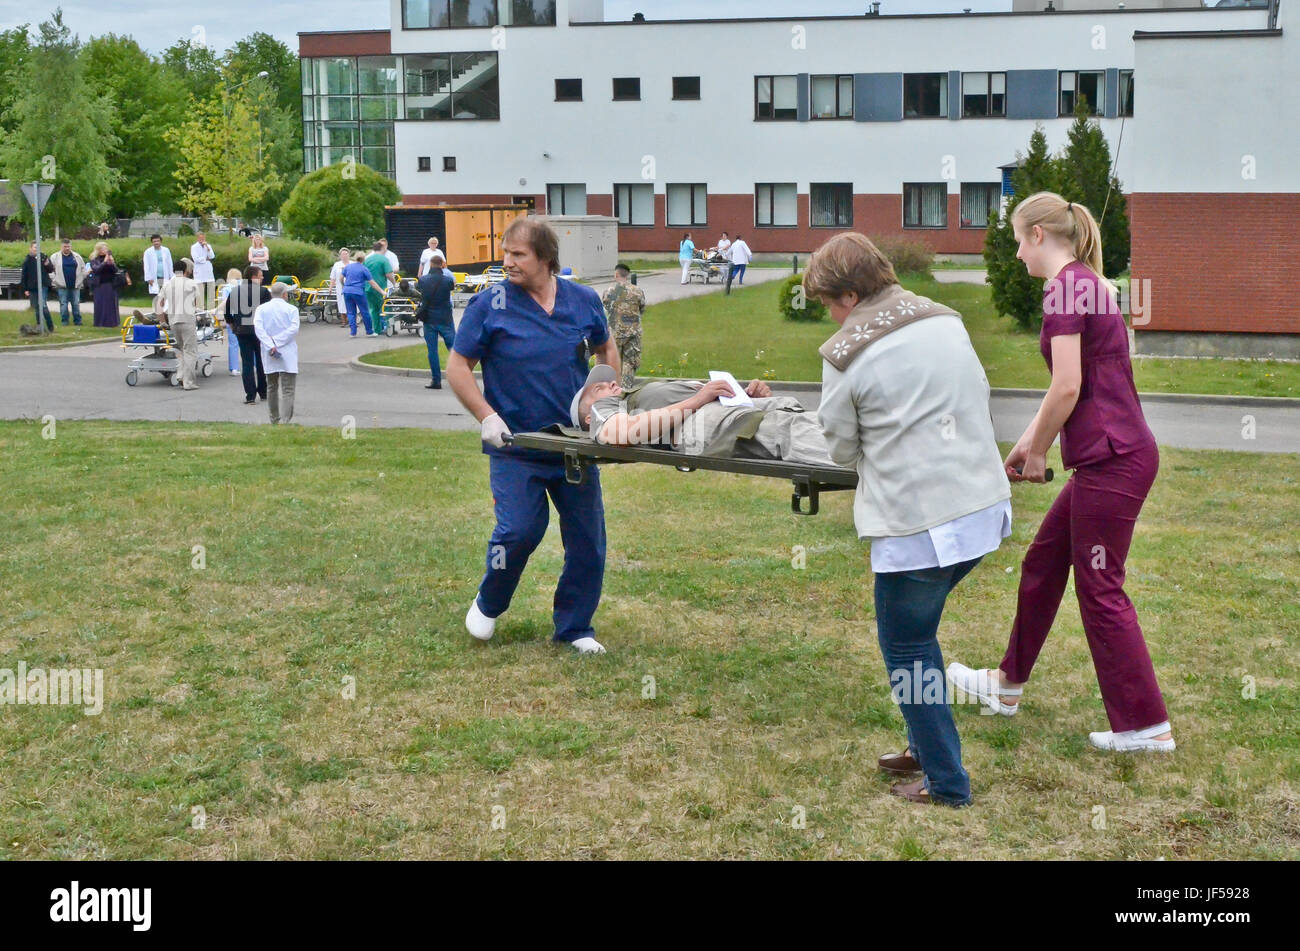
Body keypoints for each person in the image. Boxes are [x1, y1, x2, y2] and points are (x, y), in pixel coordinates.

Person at [947, 193, 1174, 754]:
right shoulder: (1089, 284)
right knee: (1044, 561)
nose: (1017, 252)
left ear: (1040, 235)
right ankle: (1006, 686)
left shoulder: (1066, 287)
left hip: (1112, 459)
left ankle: (1145, 725)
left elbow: (1068, 384)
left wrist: (1042, 451)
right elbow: (1070, 388)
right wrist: (1027, 443)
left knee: (1100, 584)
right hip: (1111, 455)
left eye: (1019, 240)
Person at [808, 232, 1012, 808]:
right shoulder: (946, 319)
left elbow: (841, 449)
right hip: (980, 509)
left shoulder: (844, 354)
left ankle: (947, 782)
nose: (829, 315)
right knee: (919, 638)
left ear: (848, 294)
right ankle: (925, 746)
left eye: (828, 302)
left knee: (907, 648)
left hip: (920, 527)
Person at [446, 217, 619, 654]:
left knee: (588, 541)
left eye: (518, 254)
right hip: (515, 445)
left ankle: (575, 628)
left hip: (573, 446)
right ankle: (490, 601)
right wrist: (486, 416)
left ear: (546, 258)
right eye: (505, 253)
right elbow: (458, 367)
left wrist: (605, 401)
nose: (507, 262)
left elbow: (606, 348)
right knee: (520, 530)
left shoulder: (582, 301)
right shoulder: (490, 304)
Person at [575, 372, 836, 466]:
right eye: (598, 388)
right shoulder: (603, 411)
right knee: (781, 430)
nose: (610, 382)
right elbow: (622, 433)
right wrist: (699, 399)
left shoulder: (634, 394)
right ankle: (864, 460)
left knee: (790, 411)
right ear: (588, 418)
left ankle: (868, 443)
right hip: (693, 424)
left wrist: (743, 396)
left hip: (714, 410)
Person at [254, 283, 301, 425]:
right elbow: (294, 328)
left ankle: (274, 419)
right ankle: (285, 420)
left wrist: (270, 344)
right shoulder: (291, 309)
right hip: (286, 350)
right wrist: (277, 342)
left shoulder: (261, 309)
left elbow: (258, 328)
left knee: (271, 386)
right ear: (285, 294)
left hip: (269, 351)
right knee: (288, 388)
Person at [225, 266, 271, 404]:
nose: (262, 278)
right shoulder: (263, 292)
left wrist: (233, 325)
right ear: (253, 277)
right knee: (261, 360)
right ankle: (263, 391)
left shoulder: (235, 291)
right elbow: (268, 312)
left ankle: (250, 395)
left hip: (242, 330)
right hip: (259, 331)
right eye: (260, 275)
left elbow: (228, 312)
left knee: (247, 362)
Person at [601, 263, 646, 389]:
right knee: (629, 363)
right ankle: (625, 391)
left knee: (613, 362)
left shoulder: (609, 292)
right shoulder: (637, 291)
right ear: (628, 275)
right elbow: (642, 309)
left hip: (615, 332)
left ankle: (613, 389)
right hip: (633, 332)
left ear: (616, 274)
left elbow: (605, 307)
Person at [158, 260, 202, 390]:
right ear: (186, 270)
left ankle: (180, 375)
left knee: (182, 349)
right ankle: (188, 382)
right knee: (190, 351)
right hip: (187, 320)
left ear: (173, 270)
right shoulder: (191, 283)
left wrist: (162, 321)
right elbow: (195, 302)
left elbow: (159, 304)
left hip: (173, 321)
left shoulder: (167, 285)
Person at [416, 250, 456, 389]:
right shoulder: (448, 280)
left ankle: (436, 380)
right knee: (454, 349)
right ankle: (459, 378)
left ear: (431, 264)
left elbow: (419, 290)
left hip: (429, 319)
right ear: (442, 264)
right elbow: (451, 288)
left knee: (432, 350)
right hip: (445, 318)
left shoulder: (423, 280)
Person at [341, 252, 384, 337]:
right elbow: (372, 283)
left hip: (347, 291)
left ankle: (353, 333)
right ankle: (369, 332)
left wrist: (344, 286)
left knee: (350, 312)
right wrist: (382, 292)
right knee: (365, 312)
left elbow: (341, 278)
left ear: (355, 258)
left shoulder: (348, 267)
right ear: (364, 259)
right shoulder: (364, 269)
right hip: (358, 292)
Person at [89, 243, 127, 328]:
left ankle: (112, 322)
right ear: (99, 250)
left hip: (110, 284)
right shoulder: (94, 260)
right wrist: (104, 262)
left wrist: (112, 263)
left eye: (106, 249)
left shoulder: (109, 258)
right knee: (101, 304)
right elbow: (97, 270)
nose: (106, 251)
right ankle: (100, 322)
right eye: (103, 249)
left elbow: (115, 271)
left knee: (111, 304)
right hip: (100, 285)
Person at [49, 239, 87, 326]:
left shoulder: (77, 256)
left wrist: (81, 278)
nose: (67, 248)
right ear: (61, 247)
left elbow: (83, 268)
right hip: (61, 285)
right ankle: (64, 321)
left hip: (75, 284)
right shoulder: (55, 257)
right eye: (65, 247)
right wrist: (55, 280)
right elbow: (50, 270)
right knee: (63, 304)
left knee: (76, 304)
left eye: (68, 246)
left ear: (71, 246)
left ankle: (78, 321)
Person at [20, 242, 54, 332]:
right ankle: (40, 326)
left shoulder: (43, 257)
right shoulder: (27, 260)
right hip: (32, 287)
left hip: (43, 285)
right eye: (35, 247)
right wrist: (25, 289)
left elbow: (50, 269)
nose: (36, 249)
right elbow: (24, 275)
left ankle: (50, 326)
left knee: (42, 305)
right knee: (37, 307)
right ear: (30, 248)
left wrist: (47, 264)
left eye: (38, 247)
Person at [363, 241, 394, 334]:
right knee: (386, 308)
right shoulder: (384, 259)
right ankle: (388, 328)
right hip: (381, 288)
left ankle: (376, 329)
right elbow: (388, 274)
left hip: (368, 287)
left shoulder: (367, 259)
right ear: (383, 248)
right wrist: (394, 282)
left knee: (373, 309)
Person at [218, 268, 243, 375]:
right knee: (249, 343)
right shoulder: (244, 286)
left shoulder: (226, 288)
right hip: (244, 317)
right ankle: (255, 364)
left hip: (231, 317)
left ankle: (234, 368)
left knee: (233, 344)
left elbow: (225, 304)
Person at [190, 231, 217, 310]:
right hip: (199, 271)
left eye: (203, 238)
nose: (202, 239)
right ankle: (200, 310)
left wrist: (207, 248)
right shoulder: (194, 247)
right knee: (199, 293)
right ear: (197, 238)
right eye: (200, 238)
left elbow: (212, 256)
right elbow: (196, 259)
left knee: (211, 292)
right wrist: (205, 258)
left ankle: (211, 310)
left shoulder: (208, 246)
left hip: (208, 270)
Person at [329, 249, 351, 325]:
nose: (344, 255)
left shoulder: (353, 263)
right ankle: (343, 321)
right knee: (341, 303)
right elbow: (333, 277)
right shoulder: (337, 265)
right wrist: (331, 287)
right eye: (343, 254)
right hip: (340, 287)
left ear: (349, 255)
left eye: (346, 254)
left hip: (351, 287)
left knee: (351, 303)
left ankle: (351, 320)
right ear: (340, 256)